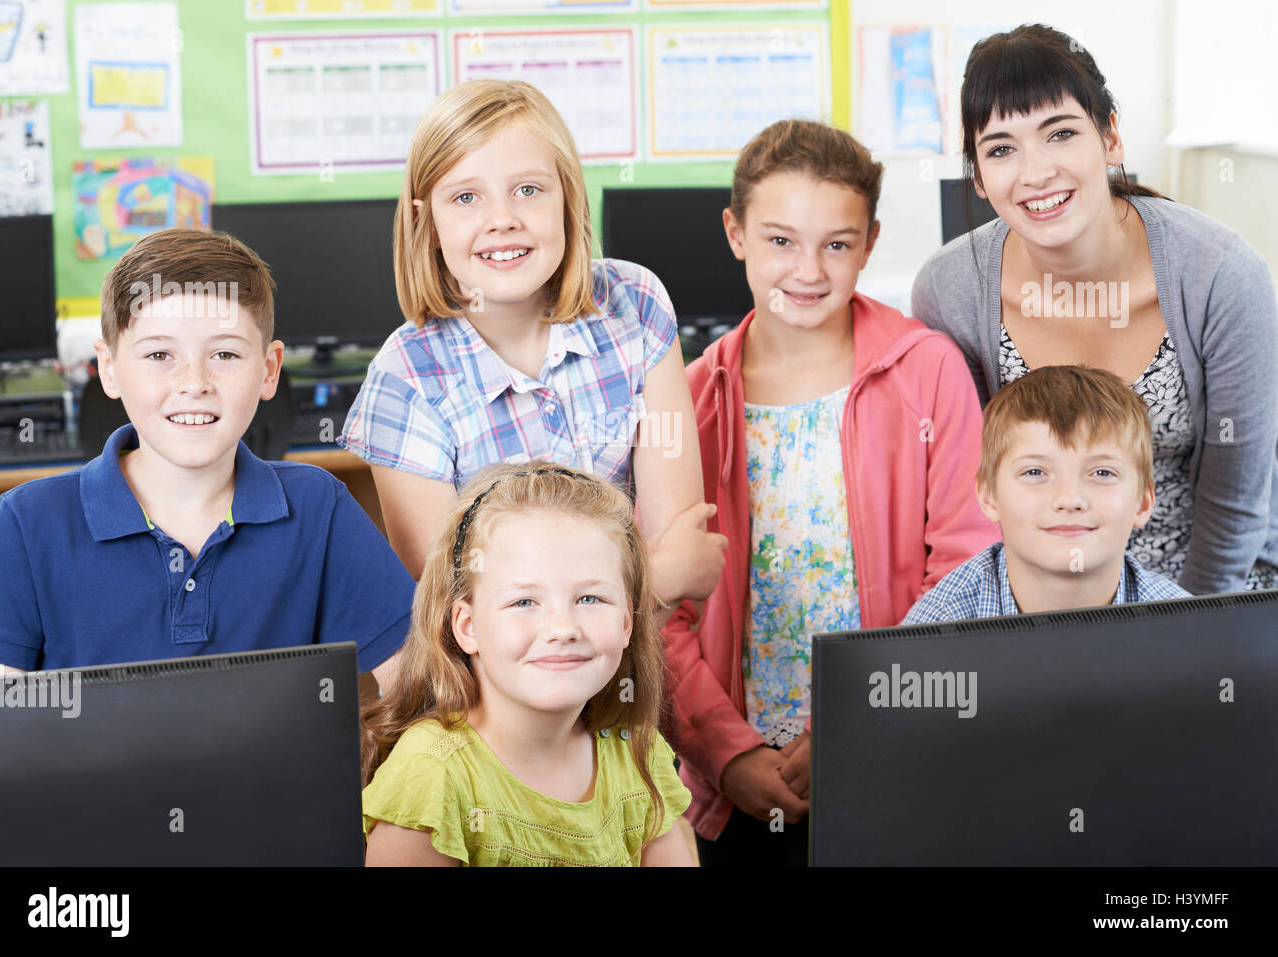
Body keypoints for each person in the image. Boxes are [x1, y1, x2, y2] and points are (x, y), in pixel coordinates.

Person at [662, 119, 999, 866]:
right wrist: (727, 752)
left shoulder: (928, 370)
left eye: (836, 244)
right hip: (735, 781)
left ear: (870, 243)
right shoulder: (688, 401)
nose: (808, 270)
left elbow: (967, 567)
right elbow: (663, 610)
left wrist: (855, 717)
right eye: (780, 239)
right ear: (735, 232)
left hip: (893, 749)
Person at [911, 23, 1278, 596]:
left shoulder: (1223, 276)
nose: (1035, 173)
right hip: (1035, 597)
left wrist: (1185, 635)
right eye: (1001, 149)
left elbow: (1238, 500)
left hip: (1205, 587)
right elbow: (973, 494)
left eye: (1059, 134)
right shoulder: (949, 290)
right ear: (979, 177)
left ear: (1111, 138)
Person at [338, 79, 725, 619]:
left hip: (637, 676)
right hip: (493, 700)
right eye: (466, 197)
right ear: (427, 222)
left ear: (567, 196)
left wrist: (656, 581)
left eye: (528, 190)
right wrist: (656, 579)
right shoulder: (404, 382)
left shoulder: (632, 304)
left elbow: (680, 539)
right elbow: (460, 617)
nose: (502, 219)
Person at [0, 229, 414, 686]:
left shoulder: (318, 507)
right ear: (108, 368)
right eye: (160, 354)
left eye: (224, 353)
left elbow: (416, 685)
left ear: (269, 371)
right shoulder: (28, 523)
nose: (194, 382)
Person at [362, 463, 694, 866]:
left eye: (590, 599)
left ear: (627, 622)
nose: (563, 628)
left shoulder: (637, 753)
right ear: (467, 627)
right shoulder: (429, 778)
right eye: (524, 602)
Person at [904, 365, 1191, 623]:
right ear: (989, 496)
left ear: (1143, 501)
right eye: (1035, 472)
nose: (1069, 500)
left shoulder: (1188, 630)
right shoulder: (936, 629)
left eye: (1102, 473)